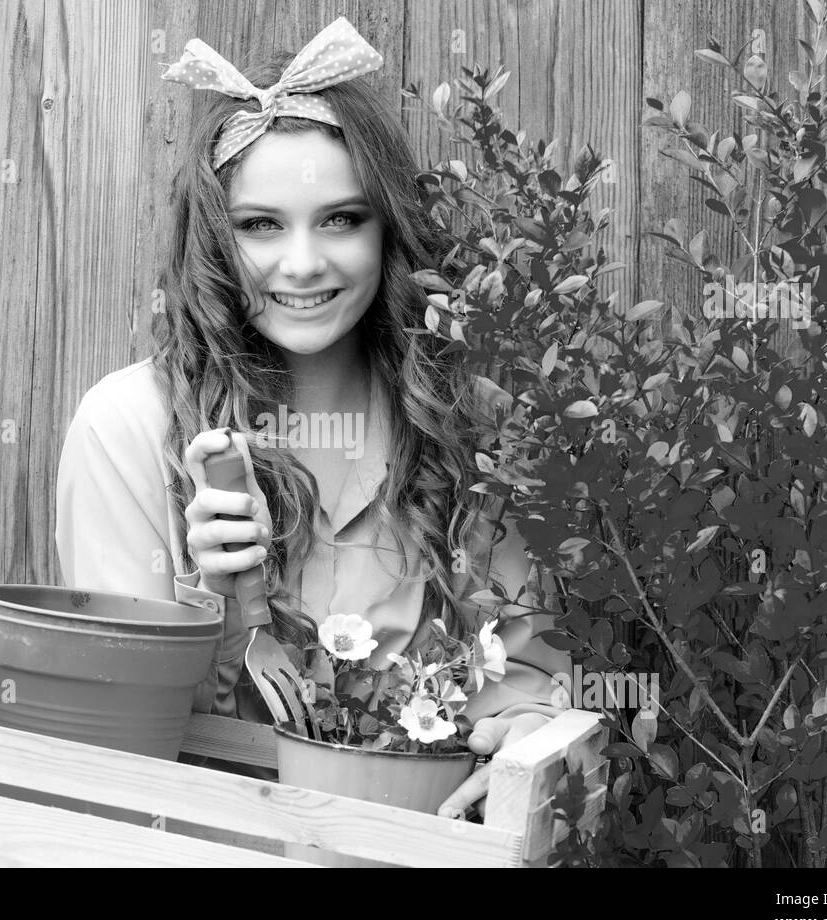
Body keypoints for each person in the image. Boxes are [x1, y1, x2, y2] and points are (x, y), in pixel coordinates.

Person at [55, 16, 570, 819]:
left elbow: (524, 680)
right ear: (215, 240)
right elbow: (116, 757)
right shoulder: (124, 429)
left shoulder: (467, 421)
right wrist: (217, 601)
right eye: (261, 224)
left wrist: (517, 740)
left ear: (388, 228)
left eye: (341, 218)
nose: (302, 263)